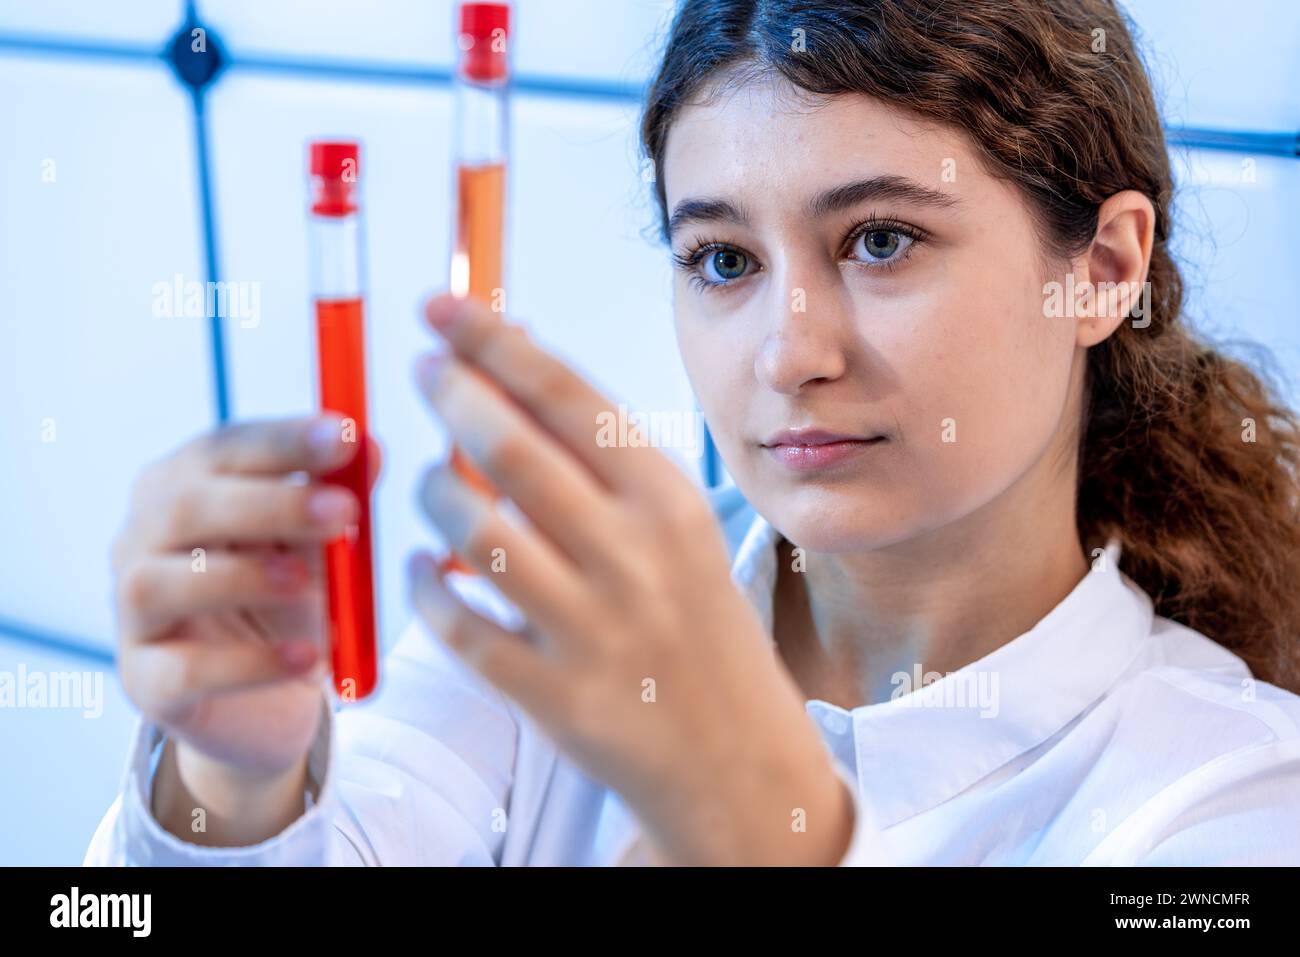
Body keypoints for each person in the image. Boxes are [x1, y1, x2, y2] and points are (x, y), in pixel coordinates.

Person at [85, 0, 1300, 866]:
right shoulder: (560, 610)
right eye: (722, 259)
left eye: (880, 239)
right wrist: (234, 788)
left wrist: (768, 826)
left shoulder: (1232, 796)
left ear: (1098, 267)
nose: (787, 352)